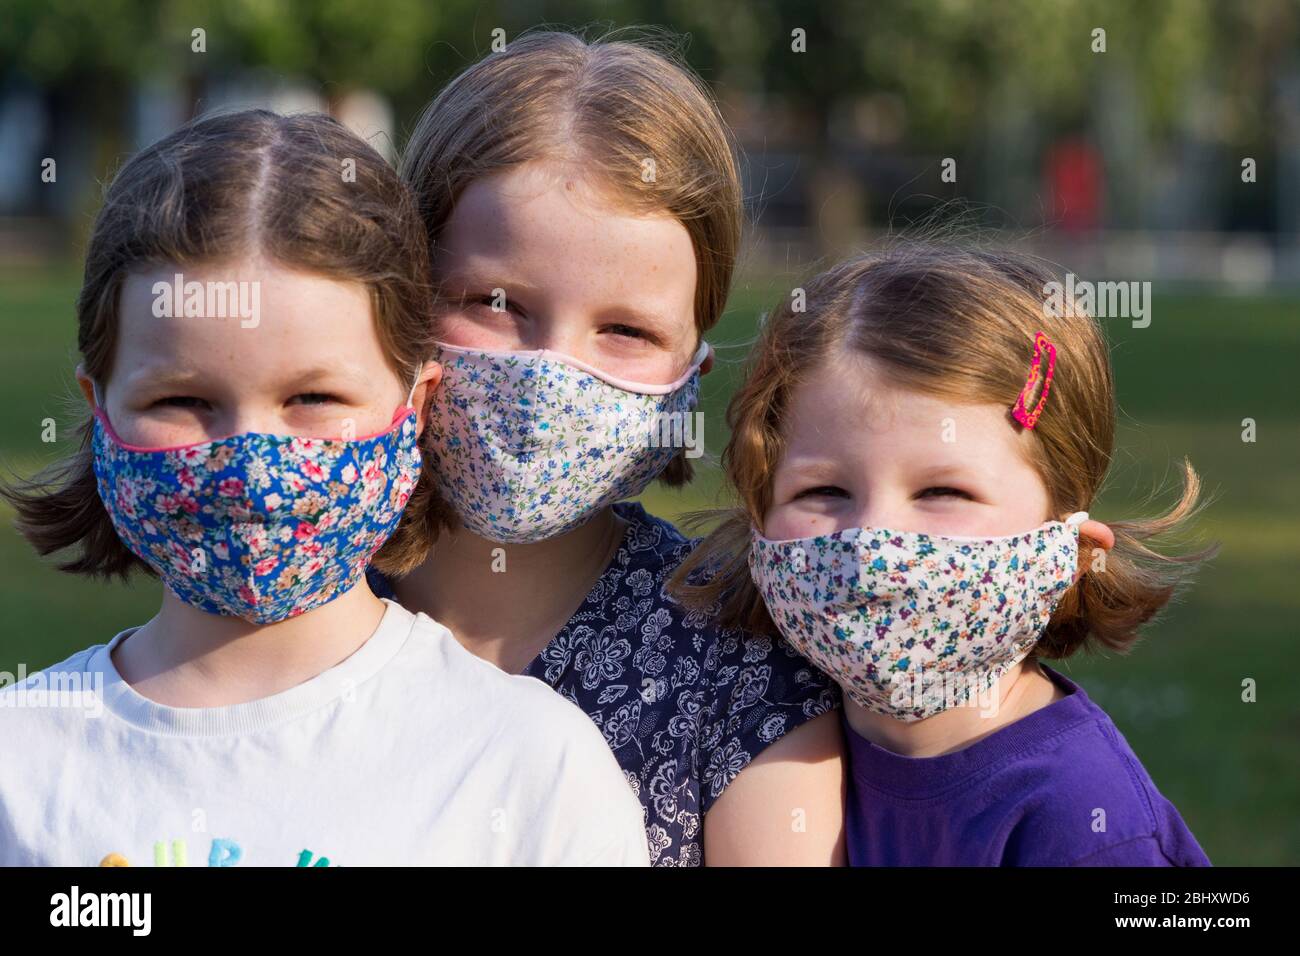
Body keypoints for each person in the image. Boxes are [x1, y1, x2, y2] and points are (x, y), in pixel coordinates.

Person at [0, 110, 649, 867]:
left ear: (417, 407)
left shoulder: (529, 767)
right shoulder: (21, 762)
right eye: (182, 401)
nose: (252, 469)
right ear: (98, 404)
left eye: (313, 400)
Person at [379, 30, 845, 865]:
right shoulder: (300, 605)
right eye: (495, 302)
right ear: (401, 297)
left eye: (625, 329)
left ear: (693, 366)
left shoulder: (741, 670)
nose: (548, 373)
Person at [672, 245, 1214, 866]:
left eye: (942, 491)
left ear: (1071, 551)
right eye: (823, 490)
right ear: (758, 517)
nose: (871, 543)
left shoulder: (1087, 826)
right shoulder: (757, 714)